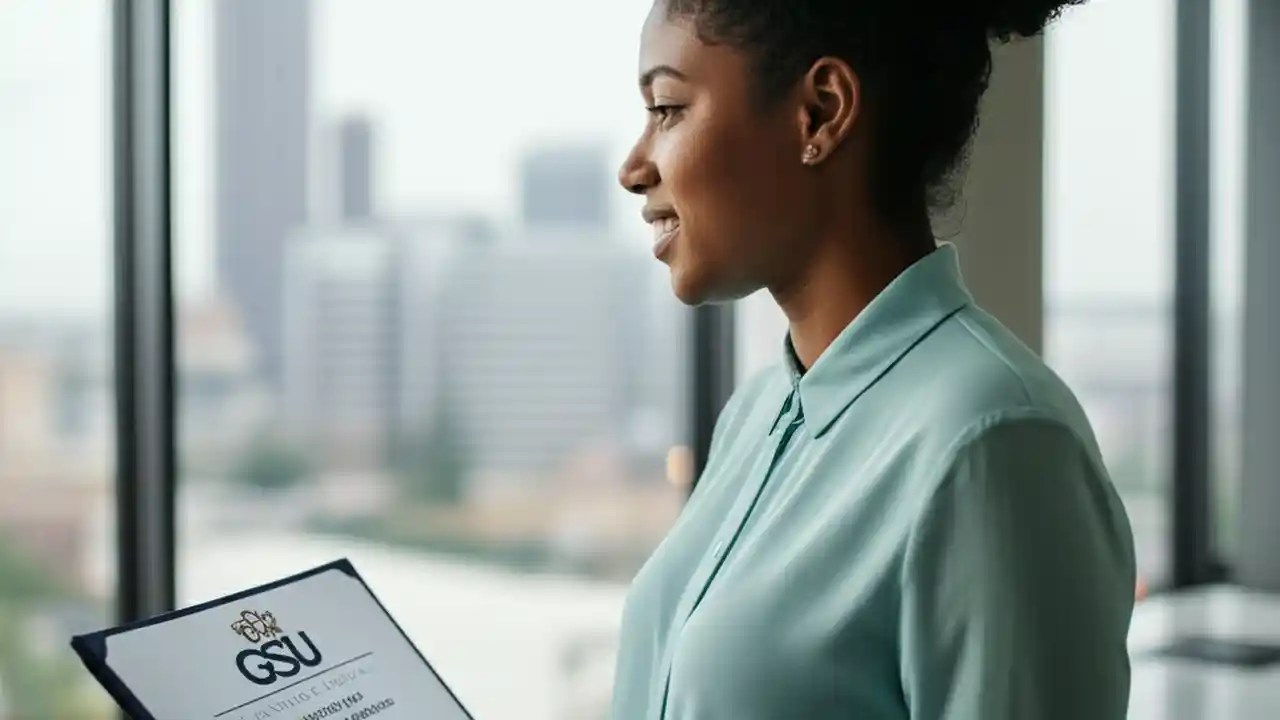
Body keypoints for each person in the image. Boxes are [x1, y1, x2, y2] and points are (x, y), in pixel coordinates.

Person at [611, 0, 1136, 718]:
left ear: (821, 113)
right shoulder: (757, 414)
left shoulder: (994, 441)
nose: (634, 168)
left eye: (667, 108)